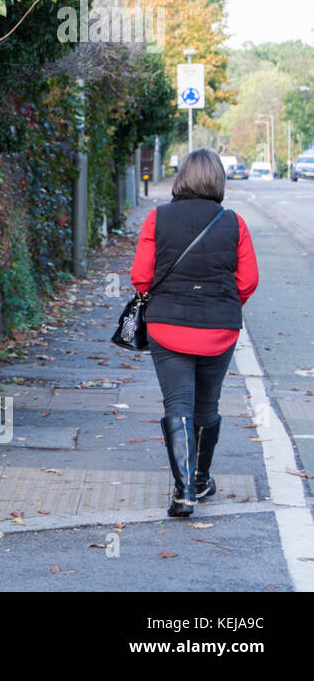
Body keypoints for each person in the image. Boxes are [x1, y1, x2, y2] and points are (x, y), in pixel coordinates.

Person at [130, 148, 259, 518]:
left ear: (181, 178)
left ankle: (184, 491)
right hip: (219, 329)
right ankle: (201, 478)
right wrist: (221, 305)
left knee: (178, 405)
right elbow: (248, 282)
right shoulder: (234, 223)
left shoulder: (158, 218)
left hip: (167, 328)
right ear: (219, 180)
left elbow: (141, 277)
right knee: (208, 405)